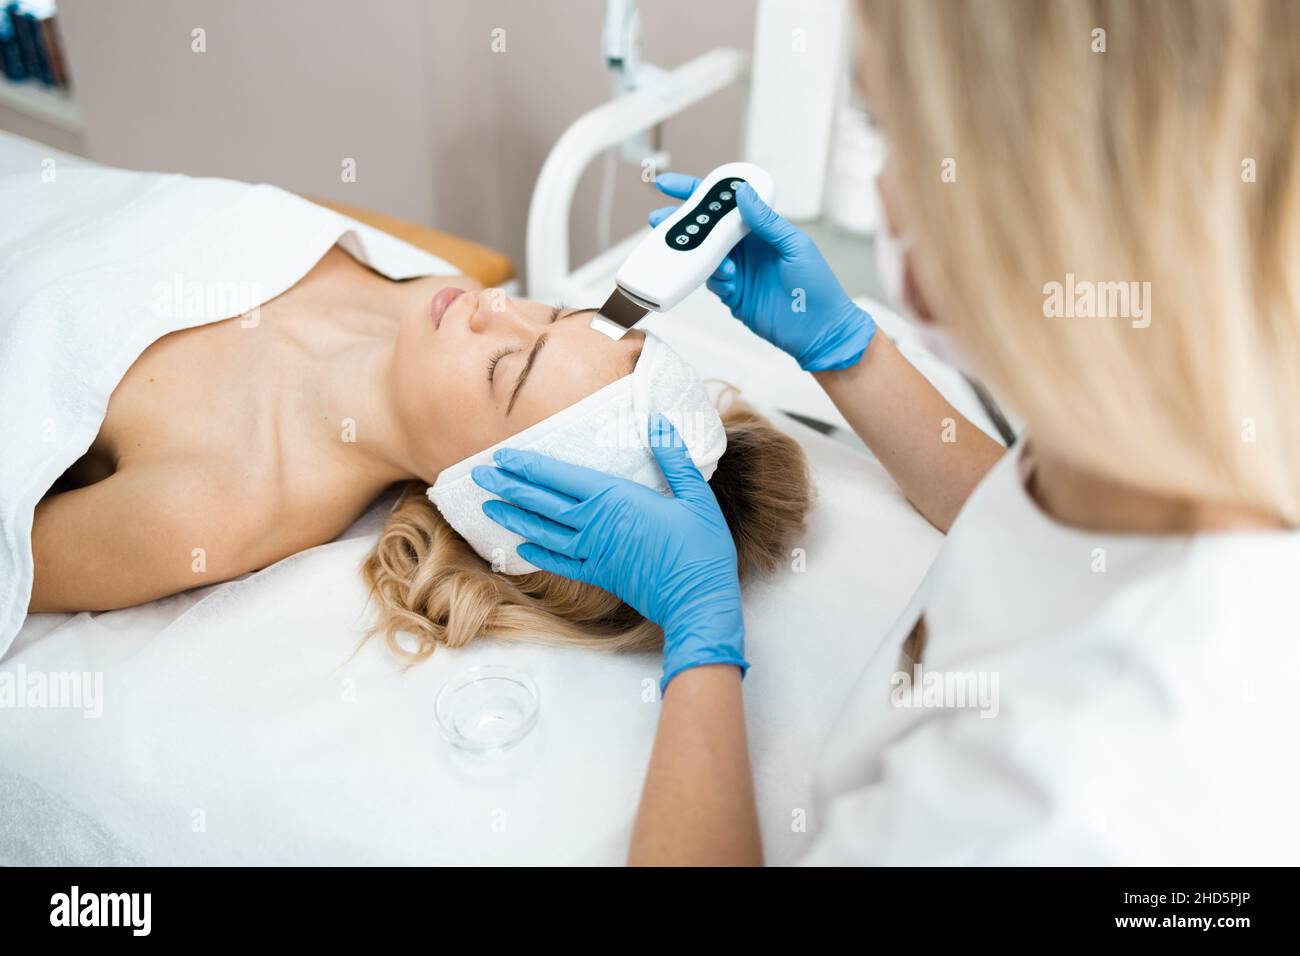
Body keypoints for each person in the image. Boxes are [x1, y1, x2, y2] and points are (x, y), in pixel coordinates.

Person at [474, 0, 1300, 865]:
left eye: (892, 133)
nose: (884, 191)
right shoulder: (1172, 433)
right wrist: (848, 354)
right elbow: (1030, 525)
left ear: (1050, 197)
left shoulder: (1072, 809)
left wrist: (700, 638)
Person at [31, 253, 812, 655]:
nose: (495, 307)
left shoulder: (208, 506)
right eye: (553, 312)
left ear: (484, 496)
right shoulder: (434, 288)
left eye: (506, 369)